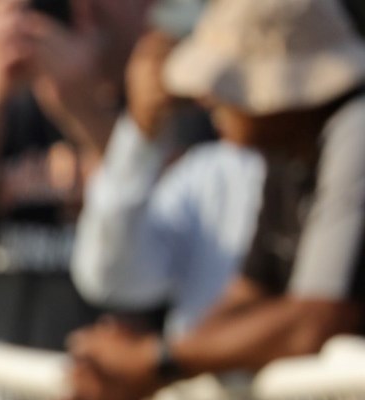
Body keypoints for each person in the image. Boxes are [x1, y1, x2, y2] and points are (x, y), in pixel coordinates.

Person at [62, 0, 365, 400]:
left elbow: (315, 320)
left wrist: (154, 362)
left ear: (281, 86)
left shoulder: (356, 130)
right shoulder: (290, 152)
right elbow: (248, 297)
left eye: (227, 79)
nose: (204, 96)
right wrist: (145, 365)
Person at [0, 0, 150, 348]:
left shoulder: (175, 93)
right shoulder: (2, 108)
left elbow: (165, 223)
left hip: (123, 370)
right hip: (6, 375)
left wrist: (83, 107)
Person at [69, 28, 266, 338]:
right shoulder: (211, 174)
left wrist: (157, 358)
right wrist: (140, 133)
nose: (208, 94)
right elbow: (111, 276)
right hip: (192, 365)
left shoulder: (338, 157)